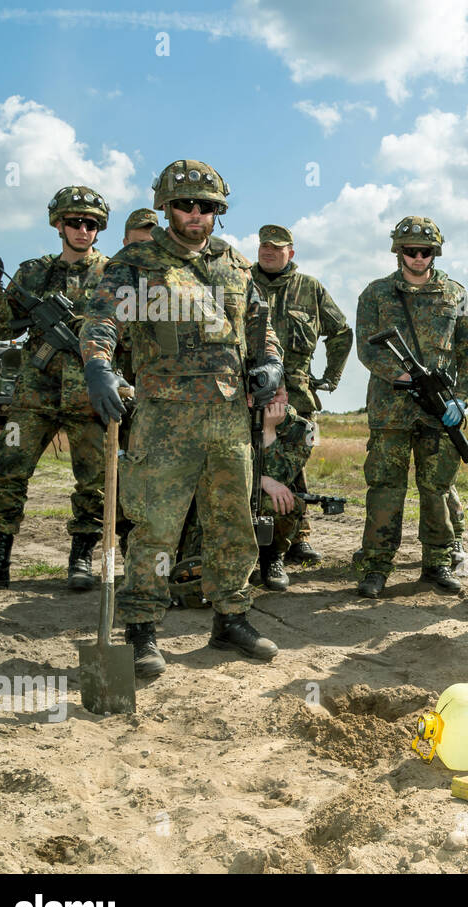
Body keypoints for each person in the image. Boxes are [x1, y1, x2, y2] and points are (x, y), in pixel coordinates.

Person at [80, 158, 284, 678]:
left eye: (207, 207)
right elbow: (101, 319)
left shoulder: (235, 266)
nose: (196, 215)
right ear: (166, 207)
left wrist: (270, 362)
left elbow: (262, 324)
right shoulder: (137, 263)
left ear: (218, 211)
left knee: (232, 521)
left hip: (228, 420)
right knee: (156, 526)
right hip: (164, 418)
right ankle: (143, 628)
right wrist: (99, 367)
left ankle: (232, 617)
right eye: (184, 205)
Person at [0, 186, 112, 595]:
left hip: (90, 396)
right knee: (8, 470)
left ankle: (81, 559)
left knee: (95, 482)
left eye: (91, 224)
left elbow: (131, 332)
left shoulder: (114, 274)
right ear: (59, 225)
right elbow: (0, 326)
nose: (83, 230)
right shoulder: (33, 272)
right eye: (74, 222)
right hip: (34, 394)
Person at [354, 216, 468, 598]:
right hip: (390, 408)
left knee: (437, 488)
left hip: (439, 410)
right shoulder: (376, 294)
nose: (417, 258)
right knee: (385, 488)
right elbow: (366, 347)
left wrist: (461, 399)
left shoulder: (455, 294)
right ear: (399, 252)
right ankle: (376, 567)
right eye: (410, 251)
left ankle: (438, 563)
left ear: (434, 253)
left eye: (425, 252)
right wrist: (402, 375)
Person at [251, 224, 352, 565]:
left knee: (293, 464)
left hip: (296, 393)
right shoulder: (241, 283)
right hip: (249, 391)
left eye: (276, 248)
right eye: (264, 246)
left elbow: (341, 332)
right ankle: (255, 541)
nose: (269, 251)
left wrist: (330, 377)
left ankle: (298, 537)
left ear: (290, 253)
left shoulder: (309, 288)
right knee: (250, 458)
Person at [171, 386, 315, 600]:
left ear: (286, 396)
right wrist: (261, 479)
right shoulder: (228, 420)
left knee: (283, 501)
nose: (269, 402)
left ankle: (272, 556)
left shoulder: (304, 429)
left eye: (276, 395)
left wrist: (268, 430)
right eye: (262, 395)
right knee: (195, 568)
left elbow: (282, 477)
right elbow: (210, 469)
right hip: (226, 492)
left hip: (266, 498)